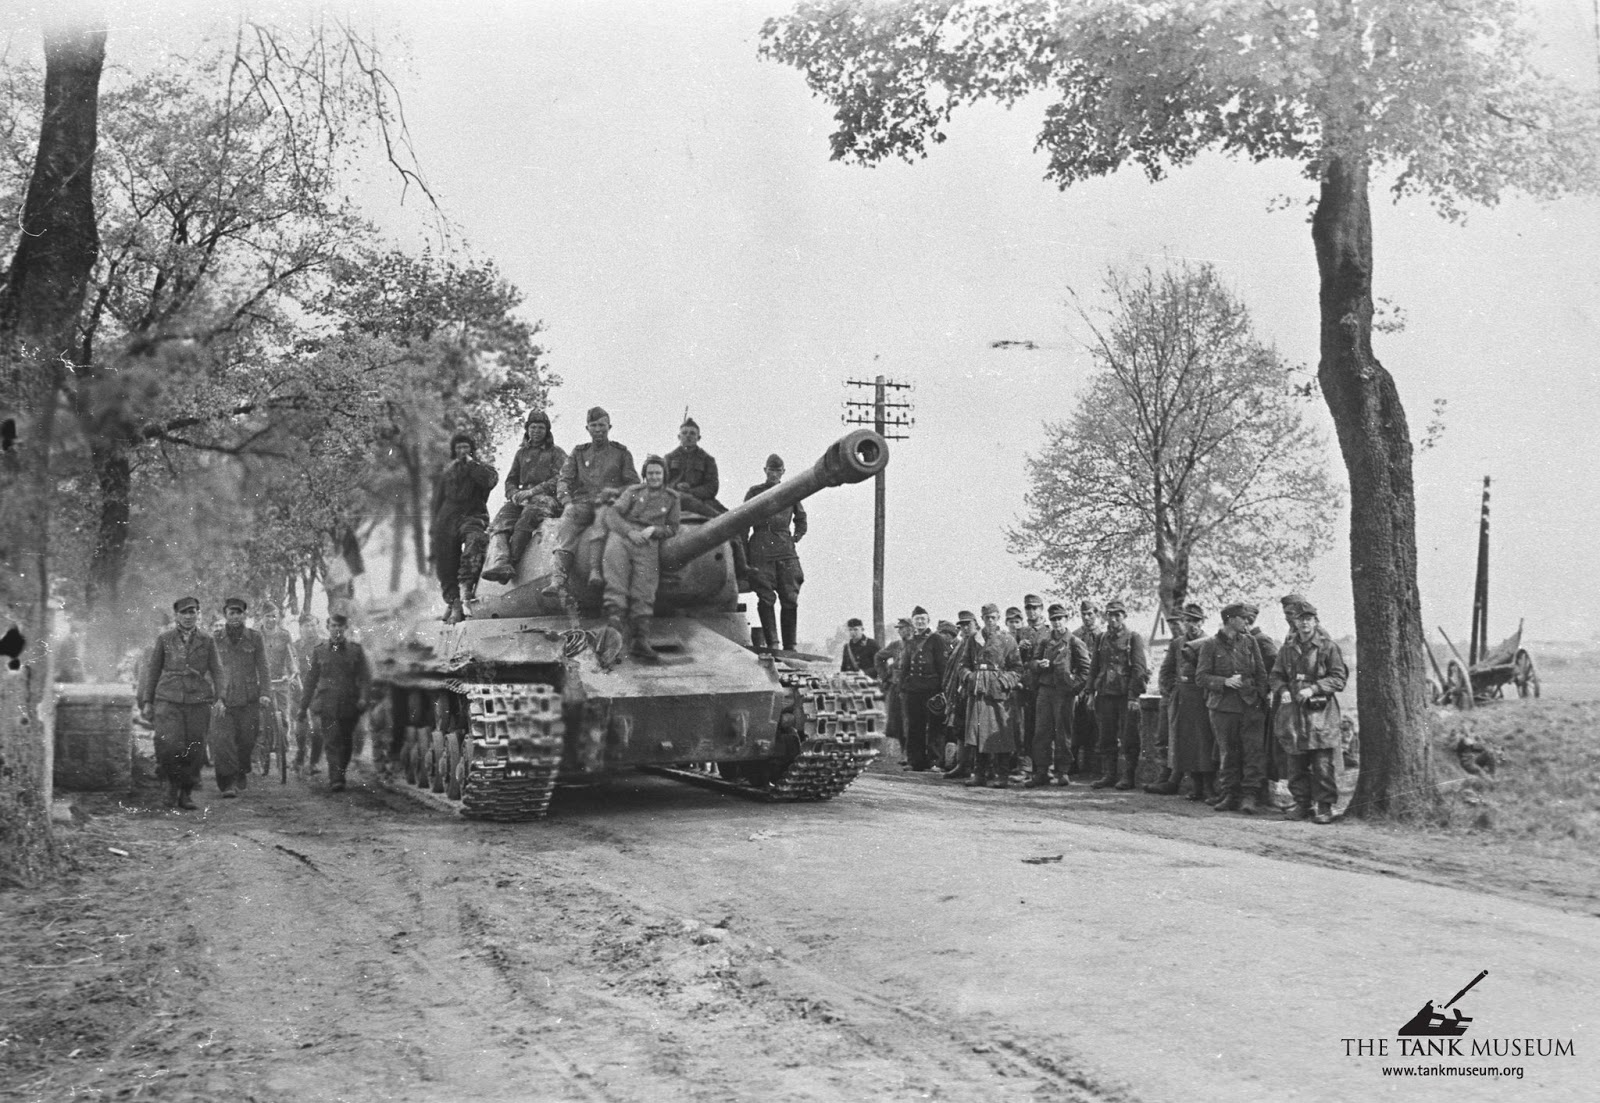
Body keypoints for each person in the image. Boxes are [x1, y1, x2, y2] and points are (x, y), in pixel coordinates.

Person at [138, 596, 227, 810]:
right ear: (176, 615)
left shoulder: (207, 640)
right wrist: (148, 700)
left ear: (198, 614)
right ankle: (171, 785)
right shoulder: (165, 639)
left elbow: (217, 670)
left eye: (192, 612)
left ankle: (186, 793)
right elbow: (153, 670)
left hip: (198, 699)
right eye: (184, 613)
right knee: (168, 745)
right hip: (168, 698)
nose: (188, 616)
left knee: (195, 747)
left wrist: (221, 698)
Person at [546, 407, 639, 606]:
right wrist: (566, 502)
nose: (598, 430)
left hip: (609, 503)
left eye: (602, 425)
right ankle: (558, 578)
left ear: (609, 427)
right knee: (567, 522)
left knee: (602, 519)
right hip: (583, 503)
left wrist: (615, 493)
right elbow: (564, 480)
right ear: (587, 428)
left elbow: (634, 485)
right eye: (594, 425)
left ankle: (596, 571)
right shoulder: (579, 453)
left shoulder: (621, 453)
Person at [1270, 601, 1348, 824]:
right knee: (1295, 762)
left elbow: (1338, 678)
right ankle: (1302, 804)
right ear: (1295, 623)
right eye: (1300, 619)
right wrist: (1283, 690)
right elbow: (1275, 675)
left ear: (1315, 622)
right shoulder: (1287, 649)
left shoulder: (1327, 647)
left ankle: (1324, 806)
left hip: (1319, 713)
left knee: (1322, 763)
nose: (1304, 623)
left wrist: (1314, 688)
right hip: (1293, 714)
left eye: (1309, 619)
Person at [601, 454, 681, 660]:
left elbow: (673, 528)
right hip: (623, 536)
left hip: (648, 540)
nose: (654, 477)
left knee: (645, 588)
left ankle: (640, 639)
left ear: (664, 475)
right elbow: (612, 514)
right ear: (645, 475)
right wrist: (629, 532)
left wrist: (655, 530)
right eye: (650, 473)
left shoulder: (672, 498)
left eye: (658, 473)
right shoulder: (633, 492)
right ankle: (613, 633)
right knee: (615, 581)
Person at [1195, 602, 1272, 813]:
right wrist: (1224, 682)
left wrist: (1260, 698)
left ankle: (1250, 795)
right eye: (1242, 618)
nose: (1247, 621)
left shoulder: (1249, 642)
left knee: (1253, 752)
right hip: (1223, 708)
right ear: (1230, 620)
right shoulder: (1210, 645)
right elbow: (1201, 677)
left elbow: (1261, 673)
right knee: (1228, 753)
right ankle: (1230, 794)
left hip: (1250, 706)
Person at [482, 410, 567, 583]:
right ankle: (501, 562)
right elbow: (511, 480)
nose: (536, 431)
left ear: (547, 430)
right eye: (533, 427)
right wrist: (514, 494)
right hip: (523, 497)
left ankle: (512, 562)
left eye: (541, 428)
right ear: (527, 429)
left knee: (527, 518)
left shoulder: (556, 452)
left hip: (547, 497)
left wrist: (533, 491)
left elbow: (561, 478)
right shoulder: (521, 453)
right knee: (500, 522)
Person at [298, 613, 372, 792]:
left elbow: (365, 678)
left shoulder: (356, 650)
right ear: (328, 628)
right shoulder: (320, 650)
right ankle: (336, 778)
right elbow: (311, 680)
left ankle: (340, 772)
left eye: (340, 626)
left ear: (345, 628)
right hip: (327, 702)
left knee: (346, 741)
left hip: (350, 702)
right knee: (331, 740)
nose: (337, 629)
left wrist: (363, 698)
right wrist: (303, 706)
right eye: (333, 626)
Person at [430, 431, 498, 622]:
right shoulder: (448, 472)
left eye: (466, 447)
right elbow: (437, 501)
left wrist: (471, 464)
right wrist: (434, 529)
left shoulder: (482, 468)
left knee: (475, 542)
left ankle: (466, 589)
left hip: (473, 514)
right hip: (447, 517)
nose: (462, 451)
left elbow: (489, 481)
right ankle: (454, 604)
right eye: (458, 447)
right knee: (445, 562)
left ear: (472, 449)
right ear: (454, 450)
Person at [743, 454, 806, 652]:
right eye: (771, 470)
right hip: (760, 548)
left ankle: (790, 645)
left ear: (783, 472)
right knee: (766, 597)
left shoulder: (790, 491)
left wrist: (795, 537)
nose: (774, 474)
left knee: (790, 597)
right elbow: (742, 520)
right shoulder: (755, 492)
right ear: (765, 471)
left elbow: (801, 518)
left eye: (778, 471)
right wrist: (744, 551)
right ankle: (773, 643)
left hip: (784, 547)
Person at [1087, 599, 1149, 790]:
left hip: (1125, 695)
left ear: (1124, 616)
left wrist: (1133, 696)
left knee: (1129, 736)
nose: (1113, 619)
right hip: (1105, 693)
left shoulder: (1133, 638)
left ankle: (1128, 776)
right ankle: (1109, 775)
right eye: (1110, 615)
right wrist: (1090, 693)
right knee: (1106, 735)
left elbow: (1139, 669)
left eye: (1117, 615)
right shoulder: (1101, 638)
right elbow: (1094, 667)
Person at [1025, 603, 1091, 787]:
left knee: (1063, 732)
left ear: (1066, 619)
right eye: (1053, 619)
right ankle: (1042, 771)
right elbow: (1032, 663)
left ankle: (1063, 771)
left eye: (1060, 619)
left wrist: (1073, 688)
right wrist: (1039, 665)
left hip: (1064, 693)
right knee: (1041, 732)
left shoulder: (1074, 642)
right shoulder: (1045, 641)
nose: (1056, 623)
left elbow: (1086, 670)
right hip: (1045, 691)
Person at [959, 604, 1023, 789]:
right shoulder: (973, 639)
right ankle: (979, 774)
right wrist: (969, 677)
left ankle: (1002, 775)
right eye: (987, 617)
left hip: (997, 693)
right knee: (978, 732)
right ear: (982, 618)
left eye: (993, 617)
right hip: (978, 691)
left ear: (998, 618)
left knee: (1001, 732)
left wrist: (1003, 682)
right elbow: (963, 664)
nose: (990, 621)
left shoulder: (1007, 639)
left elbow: (1017, 668)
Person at [212, 596, 271, 795]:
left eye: (239, 613)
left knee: (247, 739)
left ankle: (241, 769)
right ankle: (227, 783)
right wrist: (216, 698)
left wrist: (265, 693)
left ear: (244, 615)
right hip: (224, 698)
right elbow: (211, 669)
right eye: (232, 613)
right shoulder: (216, 638)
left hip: (249, 698)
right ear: (225, 614)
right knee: (224, 741)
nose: (235, 616)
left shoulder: (255, 638)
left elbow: (263, 667)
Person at [899, 606, 948, 772]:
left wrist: (943, 690)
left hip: (932, 689)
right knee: (915, 725)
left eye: (923, 619)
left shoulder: (936, 639)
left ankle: (935, 761)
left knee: (935, 726)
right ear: (913, 622)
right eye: (917, 619)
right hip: (913, 689)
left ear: (928, 621)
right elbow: (905, 666)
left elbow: (942, 666)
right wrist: (902, 687)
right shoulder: (910, 641)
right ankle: (916, 761)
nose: (920, 622)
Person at [257, 603, 300, 775]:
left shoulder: (284, 635)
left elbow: (291, 656)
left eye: (274, 616)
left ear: (278, 617)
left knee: (283, 716)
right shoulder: (256, 635)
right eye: (268, 616)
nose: (271, 619)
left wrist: (292, 672)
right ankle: (260, 748)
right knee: (261, 719)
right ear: (262, 617)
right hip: (261, 682)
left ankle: (283, 748)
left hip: (280, 681)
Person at [940, 611, 980, 779]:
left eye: (968, 624)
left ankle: (977, 766)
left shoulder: (980, 641)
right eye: (962, 625)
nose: (965, 628)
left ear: (976, 624)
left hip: (975, 690)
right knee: (960, 727)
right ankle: (962, 764)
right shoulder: (962, 643)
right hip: (959, 692)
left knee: (975, 729)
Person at [664, 417, 726, 518]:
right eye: (684, 433)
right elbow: (661, 484)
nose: (688, 436)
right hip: (674, 499)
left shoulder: (707, 459)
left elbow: (712, 487)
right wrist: (676, 487)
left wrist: (691, 491)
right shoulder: (669, 458)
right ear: (679, 437)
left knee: (727, 517)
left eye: (692, 433)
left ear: (698, 438)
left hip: (701, 500)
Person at [1071, 599, 1105, 776]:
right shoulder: (1075, 636)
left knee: (1095, 727)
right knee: (1075, 724)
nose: (1086, 617)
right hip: (1078, 688)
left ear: (1096, 614)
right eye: (1083, 614)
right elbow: (1072, 665)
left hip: (1097, 687)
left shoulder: (1103, 636)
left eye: (1090, 614)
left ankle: (1093, 767)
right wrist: (1077, 689)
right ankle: (1073, 764)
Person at [291, 613, 324, 774]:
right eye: (306, 626)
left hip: (318, 692)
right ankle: (300, 753)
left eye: (313, 625)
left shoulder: (324, 645)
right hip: (299, 692)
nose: (310, 629)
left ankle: (314, 762)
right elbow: (288, 665)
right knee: (301, 730)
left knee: (317, 728)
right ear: (300, 628)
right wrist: (290, 676)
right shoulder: (295, 647)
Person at [875, 617, 913, 758]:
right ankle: (904, 751)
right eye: (899, 628)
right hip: (897, 687)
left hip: (913, 687)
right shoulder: (896, 645)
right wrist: (885, 676)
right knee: (898, 721)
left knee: (912, 721)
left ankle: (912, 753)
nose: (900, 631)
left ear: (910, 628)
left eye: (902, 628)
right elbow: (879, 657)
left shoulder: (918, 644)